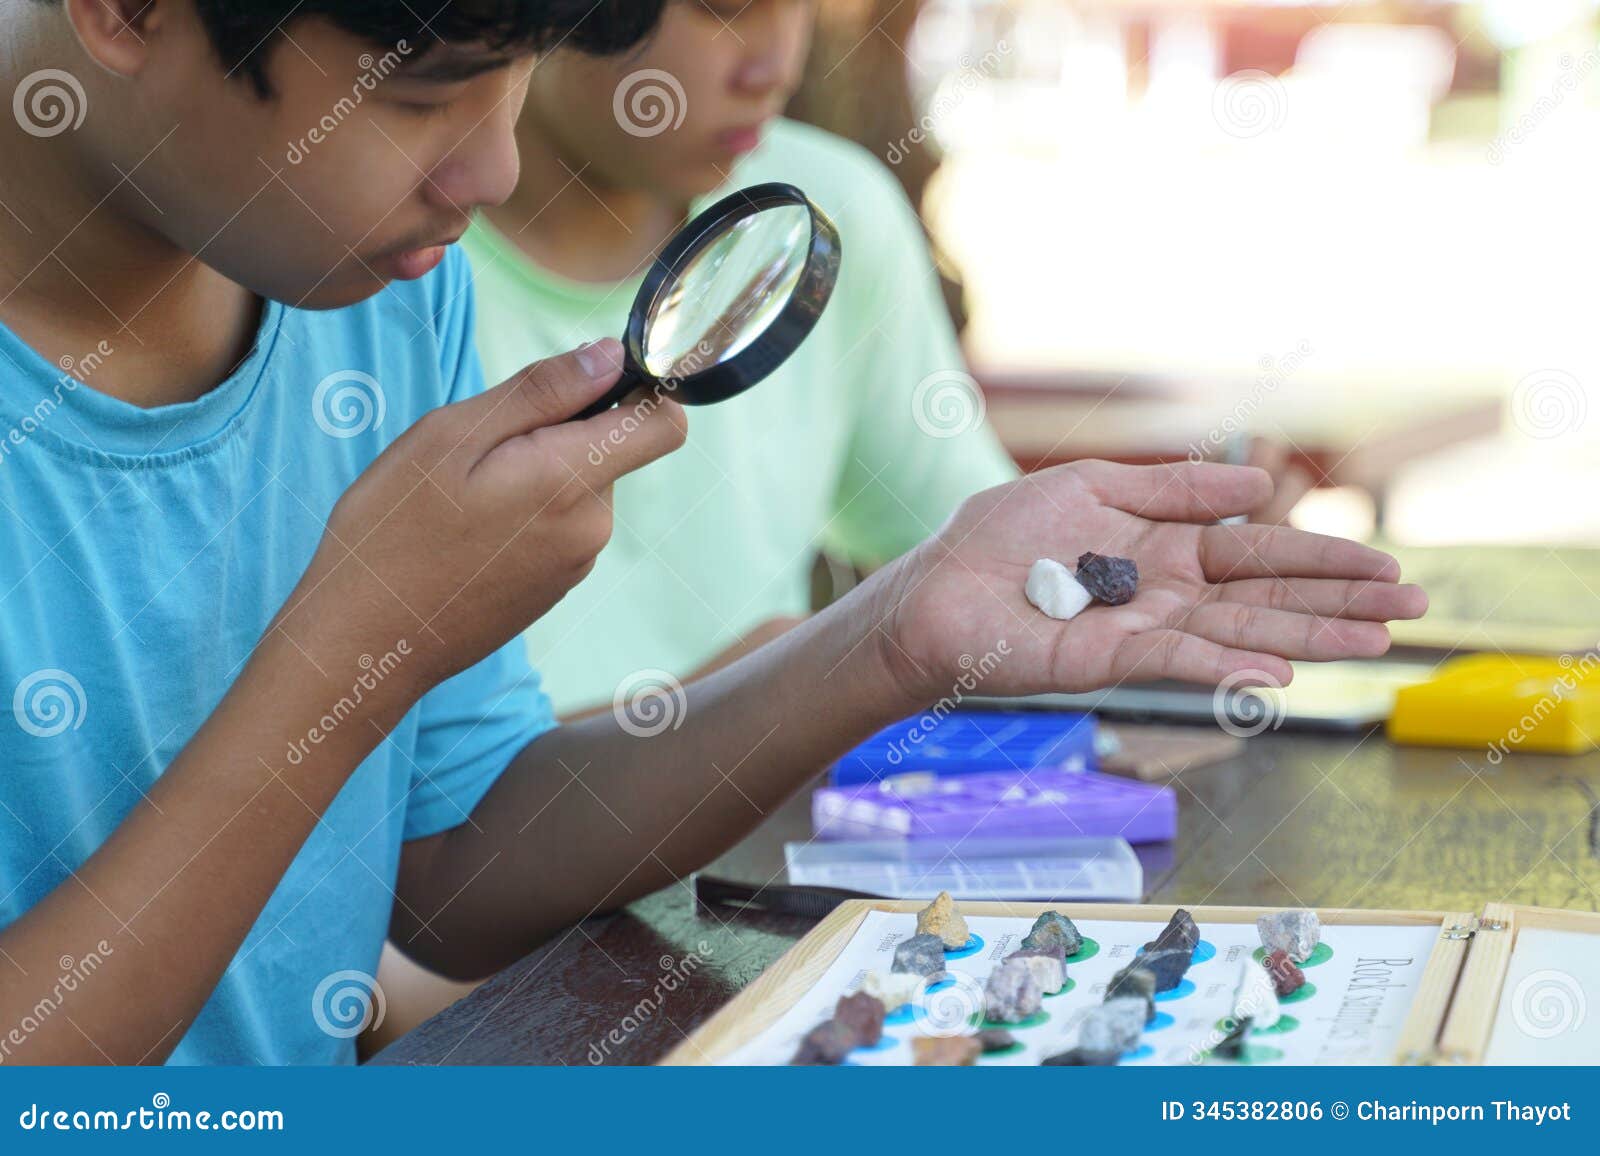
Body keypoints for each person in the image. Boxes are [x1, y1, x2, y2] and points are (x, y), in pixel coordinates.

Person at [0, 0, 1425, 1066]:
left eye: (515, 86)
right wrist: (360, 645)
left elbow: (455, 874)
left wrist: (893, 635)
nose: (489, 174)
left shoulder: (364, 285)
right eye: (424, 97)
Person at [462, 0, 1019, 716]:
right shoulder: (375, 265)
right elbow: (412, 792)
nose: (775, 68)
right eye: (723, 8)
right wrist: (766, 696)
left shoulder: (836, 210)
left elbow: (976, 560)